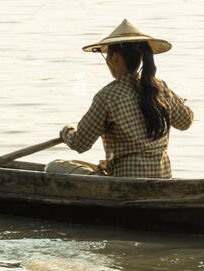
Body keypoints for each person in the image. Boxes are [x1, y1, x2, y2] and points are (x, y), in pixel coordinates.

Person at [54, 19, 193, 178]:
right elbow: (186, 121)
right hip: (163, 177)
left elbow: (80, 143)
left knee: (55, 166)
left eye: (107, 55)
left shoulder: (107, 97)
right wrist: (177, 102)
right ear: (141, 58)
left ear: (116, 57)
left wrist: (67, 132)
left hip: (125, 183)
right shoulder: (160, 88)